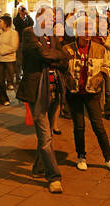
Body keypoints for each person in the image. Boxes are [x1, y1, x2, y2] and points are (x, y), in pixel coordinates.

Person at [13, 14, 68, 192]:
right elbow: (43, 55)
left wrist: (58, 56)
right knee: (45, 136)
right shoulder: (29, 33)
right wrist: (57, 56)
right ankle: (54, 177)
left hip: (53, 89)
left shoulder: (51, 36)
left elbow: (65, 57)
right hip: (38, 90)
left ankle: (38, 168)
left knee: (47, 134)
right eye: (48, 17)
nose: (52, 21)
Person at [63, 21, 110, 172]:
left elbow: (107, 67)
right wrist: (68, 80)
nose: (88, 33)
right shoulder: (68, 49)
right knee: (79, 127)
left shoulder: (100, 49)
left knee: (99, 126)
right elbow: (62, 69)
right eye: (84, 29)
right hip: (75, 93)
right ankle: (81, 156)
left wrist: (99, 77)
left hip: (92, 93)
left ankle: (109, 158)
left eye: (90, 29)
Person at [0, 13, 19, 103]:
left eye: (1, 21)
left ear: (6, 23)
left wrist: (3, 51)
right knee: (1, 80)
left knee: (11, 79)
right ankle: (3, 99)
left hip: (10, 59)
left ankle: (20, 96)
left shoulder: (13, 33)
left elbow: (14, 46)